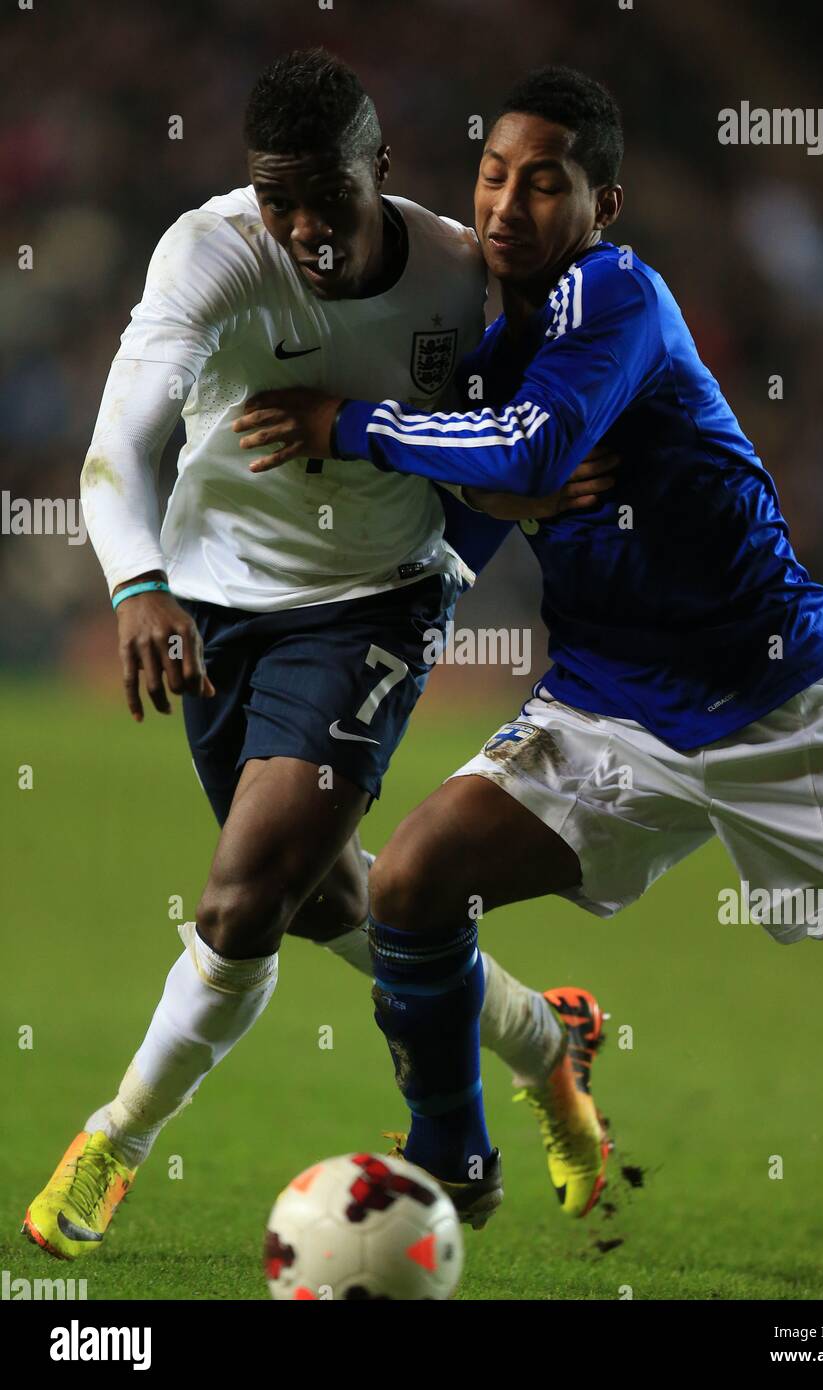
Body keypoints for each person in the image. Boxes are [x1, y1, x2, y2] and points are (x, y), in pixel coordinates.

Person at [258, 65, 823, 1223]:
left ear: (601, 207)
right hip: (607, 710)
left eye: (545, 184)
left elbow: (529, 455)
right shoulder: (490, 362)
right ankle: (453, 1168)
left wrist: (356, 426)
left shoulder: (615, 294)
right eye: (492, 177)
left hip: (774, 704)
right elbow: (467, 535)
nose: (505, 206)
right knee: (417, 881)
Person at [22, 50, 615, 1261]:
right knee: (326, 899)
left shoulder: (458, 272)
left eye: (325, 198)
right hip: (210, 606)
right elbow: (119, 443)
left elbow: (509, 429)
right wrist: (138, 587)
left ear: (379, 170)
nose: (302, 229)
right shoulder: (210, 255)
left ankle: (113, 1142)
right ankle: (548, 1040)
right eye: (276, 199)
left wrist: (541, 493)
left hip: (373, 606)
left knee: (241, 899)